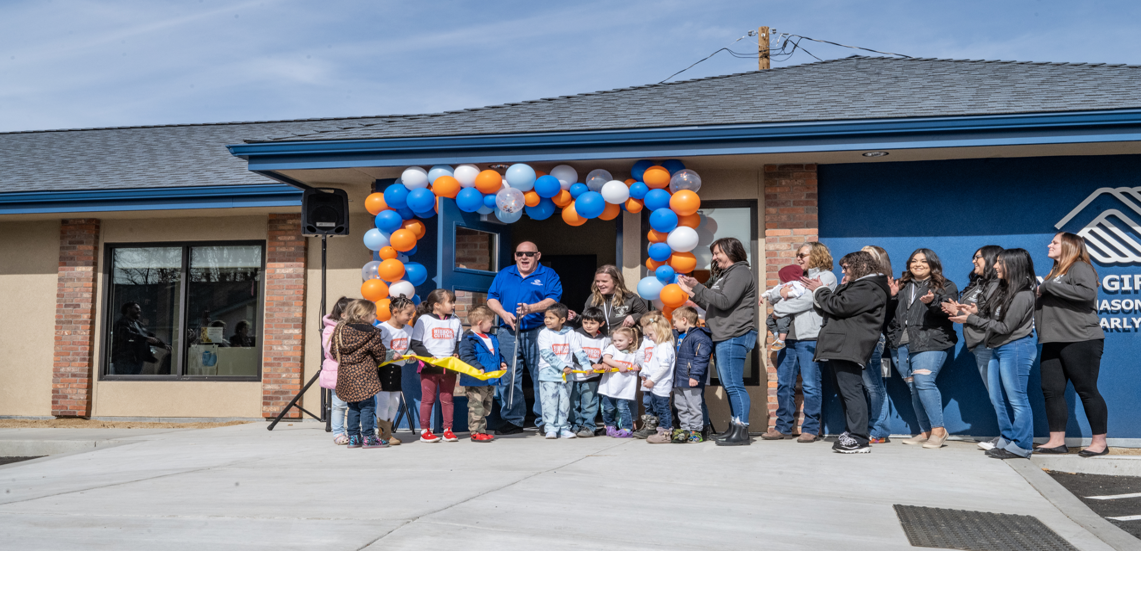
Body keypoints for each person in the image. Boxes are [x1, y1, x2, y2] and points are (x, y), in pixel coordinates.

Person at [950, 249, 1038, 460]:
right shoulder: (1003, 289)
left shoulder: (1024, 293)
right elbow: (992, 316)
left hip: (1016, 348)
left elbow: (1006, 326)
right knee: (997, 397)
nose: (995, 266)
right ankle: (1007, 440)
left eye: (1000, 263)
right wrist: (972, 312)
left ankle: (1022, 446)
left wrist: (970, 320)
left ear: (1013, 265)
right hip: (997, 348)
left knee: (1017, 400)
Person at [803, 252, 891, 455]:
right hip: (840, 345)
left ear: (860, 266)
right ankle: (852, 433)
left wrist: (821, 290)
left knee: (851, 391)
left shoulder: (870, 287)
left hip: (849, 345)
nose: (843, 271)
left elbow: (838, 306)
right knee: (845, 391)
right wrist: (836, 289)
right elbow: (831, 308)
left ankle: (859, 438)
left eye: (847, 267)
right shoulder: (858, 286)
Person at [677, 237, 758, 447]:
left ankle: (742, 429)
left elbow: (725, 301)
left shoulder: (740, 272)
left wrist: (699, 287)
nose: (714, 257)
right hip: (724, 335)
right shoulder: (727, 274)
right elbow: (715, 305)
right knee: (729, 384)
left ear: (730, 251)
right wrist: (693, 293)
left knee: (733, 385)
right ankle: (735, 427)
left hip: (733, 334)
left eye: (717, 253)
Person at [1035, 232, 1109, 457]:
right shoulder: (1055, 272)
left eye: (1054, 242)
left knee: (1086, 390)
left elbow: (1087, 294)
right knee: (1051, 391)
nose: (1049, 245)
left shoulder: (1079, 266)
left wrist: (1047, 288)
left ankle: (1100, 443)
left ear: (1068, 246)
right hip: (1052, 340)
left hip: (1081, 339)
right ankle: (1056, 441)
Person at [759, 242, 836, 443]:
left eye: (802, 255)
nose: (799, 258)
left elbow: (809, 300)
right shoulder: (796, 275)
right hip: (787, 339)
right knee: (784, 384)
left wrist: (779, 310)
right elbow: (775, 294)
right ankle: (782, 427)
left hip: (809, 337)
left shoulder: (826, 277)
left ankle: (810, 428)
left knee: (811, 384)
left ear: (817, 255)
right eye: (797, 255)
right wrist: (781, 294)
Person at [487, 241, 565, 436]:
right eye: (520, 253)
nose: (524, 257)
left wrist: (531, 308)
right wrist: (503, 313)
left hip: (537, 331)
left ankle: (544, 420)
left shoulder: (548, 274)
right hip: (508, 331)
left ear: (537, 256)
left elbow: (553, 299)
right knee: (509, 377)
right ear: (515, 256)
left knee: (542, 376)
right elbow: (491, 298)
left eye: (529, 254)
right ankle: (513, 419)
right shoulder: (505, 273)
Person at [887, 248, 959, 450]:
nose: (918, 264)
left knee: (923, 380)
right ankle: (925, 431)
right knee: (914, 387)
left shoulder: (946, 284)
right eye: (914, 261)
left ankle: (938, 431)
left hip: (931, 341)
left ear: (932, 264)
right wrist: (891, 297)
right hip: (900, 343)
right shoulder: (901, 285)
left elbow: (947, 308)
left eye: (923, 261)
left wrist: (933, 302)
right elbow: (890, 312)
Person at [941, 245, 1004, 450]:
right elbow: (977, 311)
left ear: (991, 258)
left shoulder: (997, 284)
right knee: (995, 394)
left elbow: (995, 316)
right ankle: (1007, 436)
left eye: (978, 257)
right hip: (978, 344)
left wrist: (968, 316)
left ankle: (1008, 438)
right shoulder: (978, 283)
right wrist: (958, 309)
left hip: (990, 343)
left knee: (999, 394)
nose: (973, 261)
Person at [330, 299, 392, 449]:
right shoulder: (371, 332)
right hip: (365, 374)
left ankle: (353, 438)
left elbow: (333, 351)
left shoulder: (340, 329)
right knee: (367, 406)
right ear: (363, 316)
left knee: (353, 407)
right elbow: (379, 353)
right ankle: (369, 437)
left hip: (346, 374)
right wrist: (377, 360)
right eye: (373, 314)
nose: (375, 317)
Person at [411, 290, 464, 444]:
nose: (454, 305)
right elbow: (416, 343)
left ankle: (448, 430)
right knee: (428, 399)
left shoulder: (455, 320)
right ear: (437, 305)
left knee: (448, 399)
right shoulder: (424, 320)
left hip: (449, 367)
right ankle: (425, 431)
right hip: (430, 367)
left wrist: (456, 353)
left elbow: (459, 342)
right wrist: (428, 358)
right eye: (450, 302)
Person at [536, 303, 589, 439]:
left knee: (565, 402)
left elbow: (578, 350)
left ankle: (564, 427)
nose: (547, 320)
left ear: (562, 320)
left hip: (567, 374)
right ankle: (550, 428)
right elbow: (547, 353)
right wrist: (562, 366)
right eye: (546, 317)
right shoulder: (544, 333)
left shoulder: (570, 332)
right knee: (549, 402)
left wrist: (586, 366)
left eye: (551, 318)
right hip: (549, 373)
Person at [458, 306, 508, 444]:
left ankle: (482, 430)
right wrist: (478, 367)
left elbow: (496, 354)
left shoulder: (491, 337)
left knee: (486, 407)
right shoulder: (468, 338)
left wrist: (502, 362)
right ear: (480, 322)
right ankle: (476, 432)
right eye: (490, 321)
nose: (492, 324)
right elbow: (466, 356)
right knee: (476, 406)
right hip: (475, 380)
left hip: (490, 379)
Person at [860, 246, 894, 444]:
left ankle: (879, 430)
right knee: (871, 386)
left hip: (875, 340)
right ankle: (874, 428)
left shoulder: (881, 281)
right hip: (867, 339)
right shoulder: (861, 281)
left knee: (875, 386)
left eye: (868, 254)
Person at [376, 297, 417, 447]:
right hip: (383, 369)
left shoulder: (409, 330)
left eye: (412, 313)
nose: (411, 316)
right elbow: (376, 350)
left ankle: (388, 432)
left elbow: (409, 348)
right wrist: (389, 354)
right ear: (395, 312)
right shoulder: (382, 328)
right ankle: (383, 434)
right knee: (384, 401)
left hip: (398, 369)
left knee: (395, 401)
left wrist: (411, 355)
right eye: (408, 313)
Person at [671, 306, 713, 444]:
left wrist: (694, 375)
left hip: (691, 379)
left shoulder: (700, 336)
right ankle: (685, 430)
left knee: (694, 406)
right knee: (680, 405)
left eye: (675, 321)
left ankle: (696, 432)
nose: (673, 324)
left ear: (684, 320)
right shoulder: (678, 334)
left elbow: (701, 357)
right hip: (679, 379)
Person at [569, 307, 609, 437]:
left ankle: (589, 426)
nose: (588, 326)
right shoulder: (576, 334)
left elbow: (605, 355)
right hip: (575, 375)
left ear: (601, 323)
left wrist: (604, 363)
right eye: (585, 322)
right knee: (573, 403)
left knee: (590, 403)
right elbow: (574, 355)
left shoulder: (604, 339)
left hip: (592, 377)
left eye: (592, 323)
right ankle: (574, 425)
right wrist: (592, 365)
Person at [639, 312, 677, 445]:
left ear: (661, 331)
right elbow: (651, 363)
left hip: (661, 385)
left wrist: (652, 380)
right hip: (655, 385)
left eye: (651, 335)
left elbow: (664, 366)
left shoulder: (664, 346)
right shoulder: (658, 346)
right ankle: (661, 431)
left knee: (662, 409)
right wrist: (644, 373)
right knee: (658, 408)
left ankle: (665, 433)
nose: (649, 338)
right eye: (647, 335)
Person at [320, 297, 353, 445]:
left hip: (354, 371)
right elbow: (331, 350)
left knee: (355, 405)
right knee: (339, 405)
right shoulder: (330, 329)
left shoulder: (356, 328)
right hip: (337, 372)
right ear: (343, 314)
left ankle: (354, 431)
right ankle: (338, 432)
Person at [581, 265, 650, 336]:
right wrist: (574, 317)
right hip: (601, 342)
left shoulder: (630, 297)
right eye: (597, 281)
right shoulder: (593, 298)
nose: (600, 284)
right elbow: (585, 320)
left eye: (604, 281)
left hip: (626, 343)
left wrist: (635, 317)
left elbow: (649, 318)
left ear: (616, 282)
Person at [599, 327, 642, 437]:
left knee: (623, 408)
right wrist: (619, 365)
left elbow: (640, 362)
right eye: (615, 340)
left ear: (630, 340)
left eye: (620, 340)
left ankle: (627, 428)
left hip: (625, 387)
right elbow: (606, 359)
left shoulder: (634, 353)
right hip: (609, 387)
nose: (617, 343)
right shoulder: (612, 348)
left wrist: (638, 365)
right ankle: (610, 426)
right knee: (608, 408)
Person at [110, 302, 170, 375]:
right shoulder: (121, 323)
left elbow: (149, 336)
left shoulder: (138, 324)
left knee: (132, 383)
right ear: (128, 309)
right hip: (124, 359)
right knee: (124, 382)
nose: (139, 311)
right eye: (136, 309)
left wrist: (162, 345)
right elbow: (127, 335)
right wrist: (146, 338)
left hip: (137, 359)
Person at [763, 264, 808, 352]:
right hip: (778, 310)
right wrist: (763, 295)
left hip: (786, 311)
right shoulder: (781, 285)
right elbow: (772, 293)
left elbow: (800, 292)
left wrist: (788, 294)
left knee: (782, 323)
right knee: (769, 321)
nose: (780, 279)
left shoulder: (797, 284)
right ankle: (776, 335)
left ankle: (781, 340)